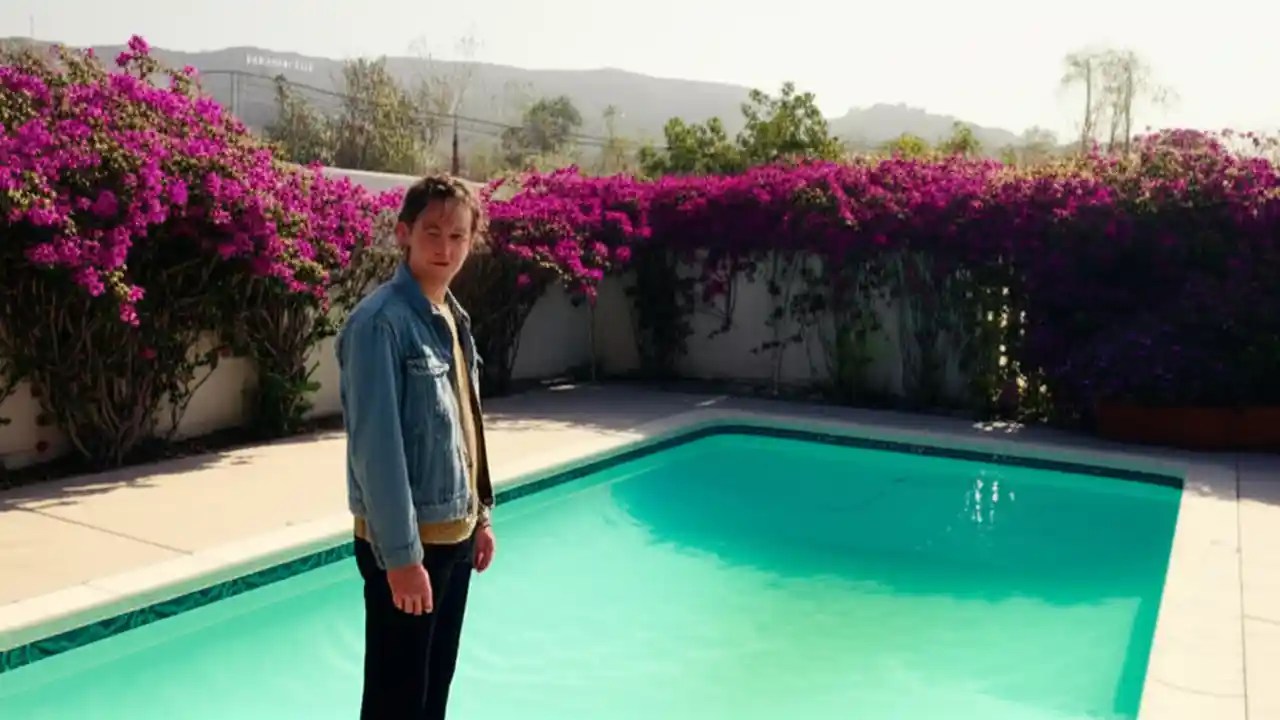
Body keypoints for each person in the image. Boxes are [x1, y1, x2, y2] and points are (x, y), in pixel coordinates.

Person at [336, 173, 497, 720]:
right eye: (432, 232)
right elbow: (377, 453)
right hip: (406, 548)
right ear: (404, 233)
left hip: (452, 536)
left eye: (458, 237)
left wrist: (482, 516)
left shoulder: (453, 317)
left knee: (432, 694)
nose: (445, 248)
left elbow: (465, 426)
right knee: (395, 702)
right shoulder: (379, 325)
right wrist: (401, 560)